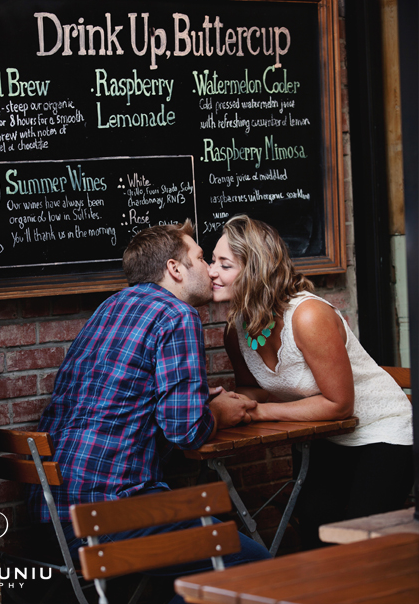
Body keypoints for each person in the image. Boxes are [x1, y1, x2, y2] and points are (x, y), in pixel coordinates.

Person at [28, 221, 270, 601]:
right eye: (201, 258)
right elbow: (185, 432)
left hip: (52, 516)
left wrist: (192, 399)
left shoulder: (112, 306)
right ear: (175, 269)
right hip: (107, 514)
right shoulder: (176, 316)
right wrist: (218, 413)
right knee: (252, 564)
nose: (210, 269)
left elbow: (121, 393)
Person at [209, 215, 413, 548]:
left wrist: (259, 413)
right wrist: (228, 402)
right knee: (315, 530)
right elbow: (253, 389)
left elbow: (339, 404)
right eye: (212, 260)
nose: (211, 271)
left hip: (383, 431)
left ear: (254, 271)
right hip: (328, 435)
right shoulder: (236, 332)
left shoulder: (307, 316)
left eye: (224, 264)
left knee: (358, 542)